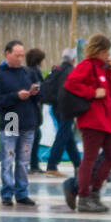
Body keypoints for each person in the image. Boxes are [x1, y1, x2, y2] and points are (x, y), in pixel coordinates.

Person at [60, 35, 111, 213]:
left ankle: (94, 191)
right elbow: (71, 84)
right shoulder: (86, 65)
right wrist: (92, 92)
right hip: (92, 121)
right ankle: (85, 197)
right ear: (100, 50)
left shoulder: (102, 68)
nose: (108, 53)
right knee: (89, 159)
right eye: (106, 50)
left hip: (107, 120)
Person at [0, 40, 40, 208]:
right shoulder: (0, 75)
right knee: (8, 159)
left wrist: (36, 92)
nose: (20, 58)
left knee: (24, 161)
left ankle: (22, 193)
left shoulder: (28, 72)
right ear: (7, 54)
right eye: (17, 55)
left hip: (28, 121)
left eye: (21, 55)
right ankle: (7, 193)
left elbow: (42, 94)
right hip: (11, 118)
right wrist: (16, 96)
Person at [42, 49, 80, 177]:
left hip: (55, 107)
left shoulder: (57, 69)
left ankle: (78, 165)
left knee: (67, 136)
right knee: (63, 136)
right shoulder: (70, 71)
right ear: (73, 59)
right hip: (66, 108)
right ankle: (52, 165)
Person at [25, 47, 46, 175]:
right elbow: (38, 91)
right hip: (32, 110)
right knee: (33, 137)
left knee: (34, 136)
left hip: (33, 110)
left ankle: (33, 164)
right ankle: (31, 164)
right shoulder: (34, 73)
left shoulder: (30, 72)